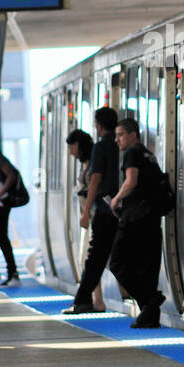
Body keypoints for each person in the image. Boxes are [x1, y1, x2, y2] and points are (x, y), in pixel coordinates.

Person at [108, 118, 166, 329]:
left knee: (117, 262)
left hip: (134, 217)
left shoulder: (132, 153)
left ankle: (151, 299)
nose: (117, 140)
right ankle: (150, 315)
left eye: (121, 135)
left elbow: (131, 181)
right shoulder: (149, 155)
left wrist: (116, 199)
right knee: (146, 267)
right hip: (152, 219)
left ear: (134, 134)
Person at [63, 108, 121, 314]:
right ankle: (145, 300)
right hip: (122, 210)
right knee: (116, 258)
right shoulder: (121, 145)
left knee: (94, 258)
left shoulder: (101, 146)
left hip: (104, 212)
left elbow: (95, 180)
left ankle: (83, 301)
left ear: (98, 125)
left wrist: (86, 211)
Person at [62, 128, 108, 312]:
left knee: (87, 259)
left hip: (92, 216)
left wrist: (86, 211)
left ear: (78, 145)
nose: (71, 151)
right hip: (87, 215)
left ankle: (96, 301)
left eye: (71, 146)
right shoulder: (85, 164)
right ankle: (95, 299)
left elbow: (93, 187)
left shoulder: (92, 164)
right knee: (87, 259)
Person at [0, 144, 23, 286]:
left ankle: (13, 273)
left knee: (2, 237)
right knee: (1, 237)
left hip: (0, 202)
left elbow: (10, 174)